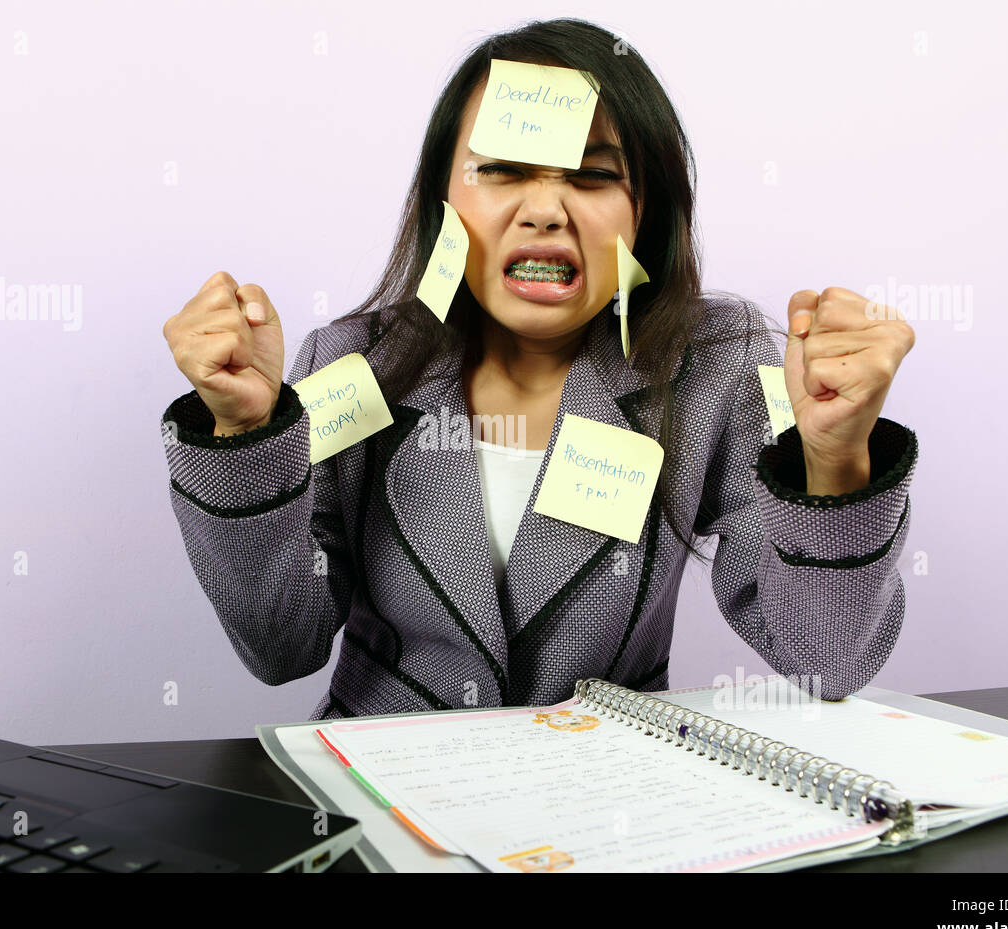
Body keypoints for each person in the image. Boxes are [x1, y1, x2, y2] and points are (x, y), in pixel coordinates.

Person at [159, 18, 918, 720]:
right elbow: (279, 647)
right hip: (381, 805)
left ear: (644, 213)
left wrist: (834, 461)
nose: (546, 210)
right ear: (443, 200)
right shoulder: (352, 367)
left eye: (591, 177)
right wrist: (245, 432)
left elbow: (829, 661)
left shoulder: (715, 368)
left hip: (604, 813)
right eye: (503, 171)